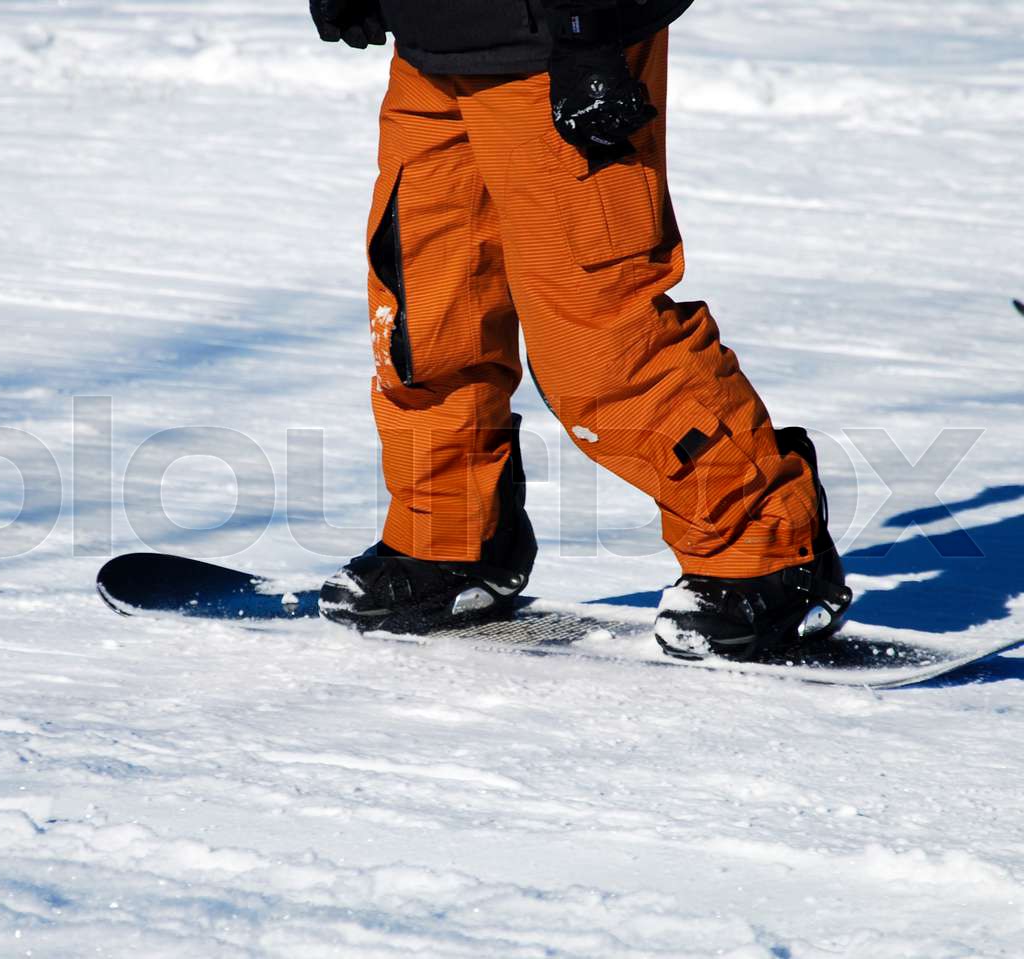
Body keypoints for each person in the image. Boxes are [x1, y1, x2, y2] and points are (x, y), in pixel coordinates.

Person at [309, 0, 851, 661]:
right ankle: (449, 533)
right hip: (433, 45)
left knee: (599, 339)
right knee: (425, 318)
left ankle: (766, 545)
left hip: (558, 41)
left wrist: (586, 27)